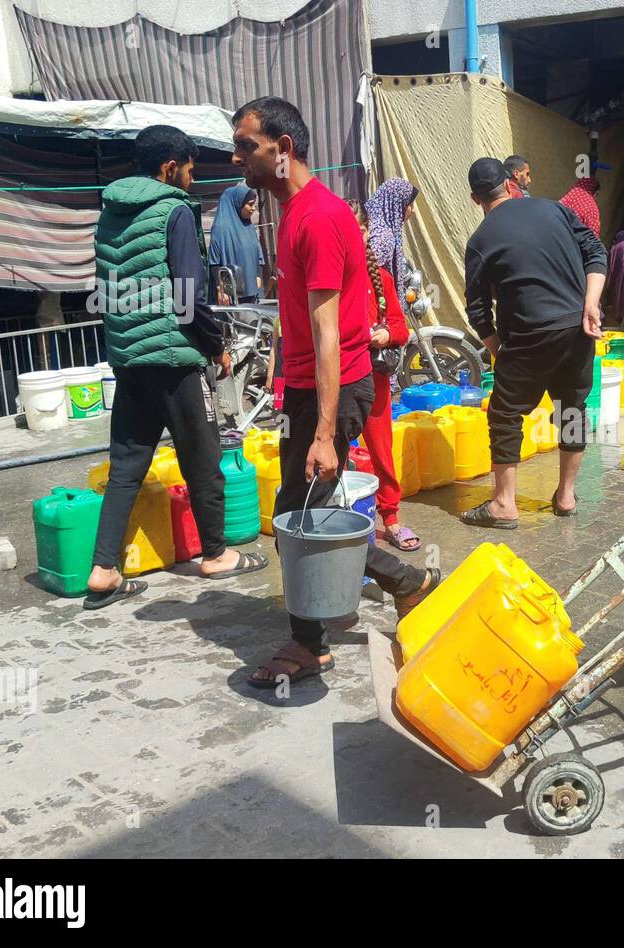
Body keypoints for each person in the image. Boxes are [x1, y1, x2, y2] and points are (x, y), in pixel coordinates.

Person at [230, 97, 438, 689]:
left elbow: (327, 334)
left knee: (297, 515)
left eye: (247, 145)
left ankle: (310, 642)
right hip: (306, 389)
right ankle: (400, 583)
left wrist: (322, 432)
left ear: (282, 150)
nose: (237, 155)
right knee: (306, 513)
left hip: (333, 388)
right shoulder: (293, 212)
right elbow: (297, 322)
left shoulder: (317, 217)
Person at [85, 125, 267, 610]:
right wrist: (216, 344)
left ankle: (104, 570)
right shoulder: (174, 211)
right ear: (170, 167)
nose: (190, 178)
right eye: (188, 168)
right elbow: (189, 296)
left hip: (130, 358)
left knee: (126, 466)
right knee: (203, 455)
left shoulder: (109, 214)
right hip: (174, 358)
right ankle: (215, 553)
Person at [460, 157, 606, 529]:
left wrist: (496, 351)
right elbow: (596, 251)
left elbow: (477, 308)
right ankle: (567, 496)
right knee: (571, 410)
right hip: (577, 327)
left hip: (527, 335)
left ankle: (504, 504)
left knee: (505, 415)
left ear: (477, 199)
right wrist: (590, 303)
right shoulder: (555, 209)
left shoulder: (480, 240)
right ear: (511, 184)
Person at [346, 196, 419, 552]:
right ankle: (342, 519)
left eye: (355, 228)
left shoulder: (382, 279)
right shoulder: (329, 276)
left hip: (374, 379)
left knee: (381, 451)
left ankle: (390, 518)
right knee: (337, 452)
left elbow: (400, 327)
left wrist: (386, 334)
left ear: (364, 232)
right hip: (338, 380)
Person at [365, 176, 420, 311]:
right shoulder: (384, 237)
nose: (412, 210)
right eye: (409, 204)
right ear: (396, 204)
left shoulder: (371, 225)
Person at [207, 184, 264, 303]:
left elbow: (258, 253)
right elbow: (214, 262)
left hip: (252, 292)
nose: (253, 208)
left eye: (254, 204)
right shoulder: (220, 229)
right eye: (250, 204)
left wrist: (258, 275)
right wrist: (220, 288)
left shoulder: (249, 227)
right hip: (230, 296)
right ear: (238, 204)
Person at [560, 175, 602, 239]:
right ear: (595, 193)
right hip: (569, 243)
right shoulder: (592, 209)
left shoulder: (569, 196)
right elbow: (593, 238)